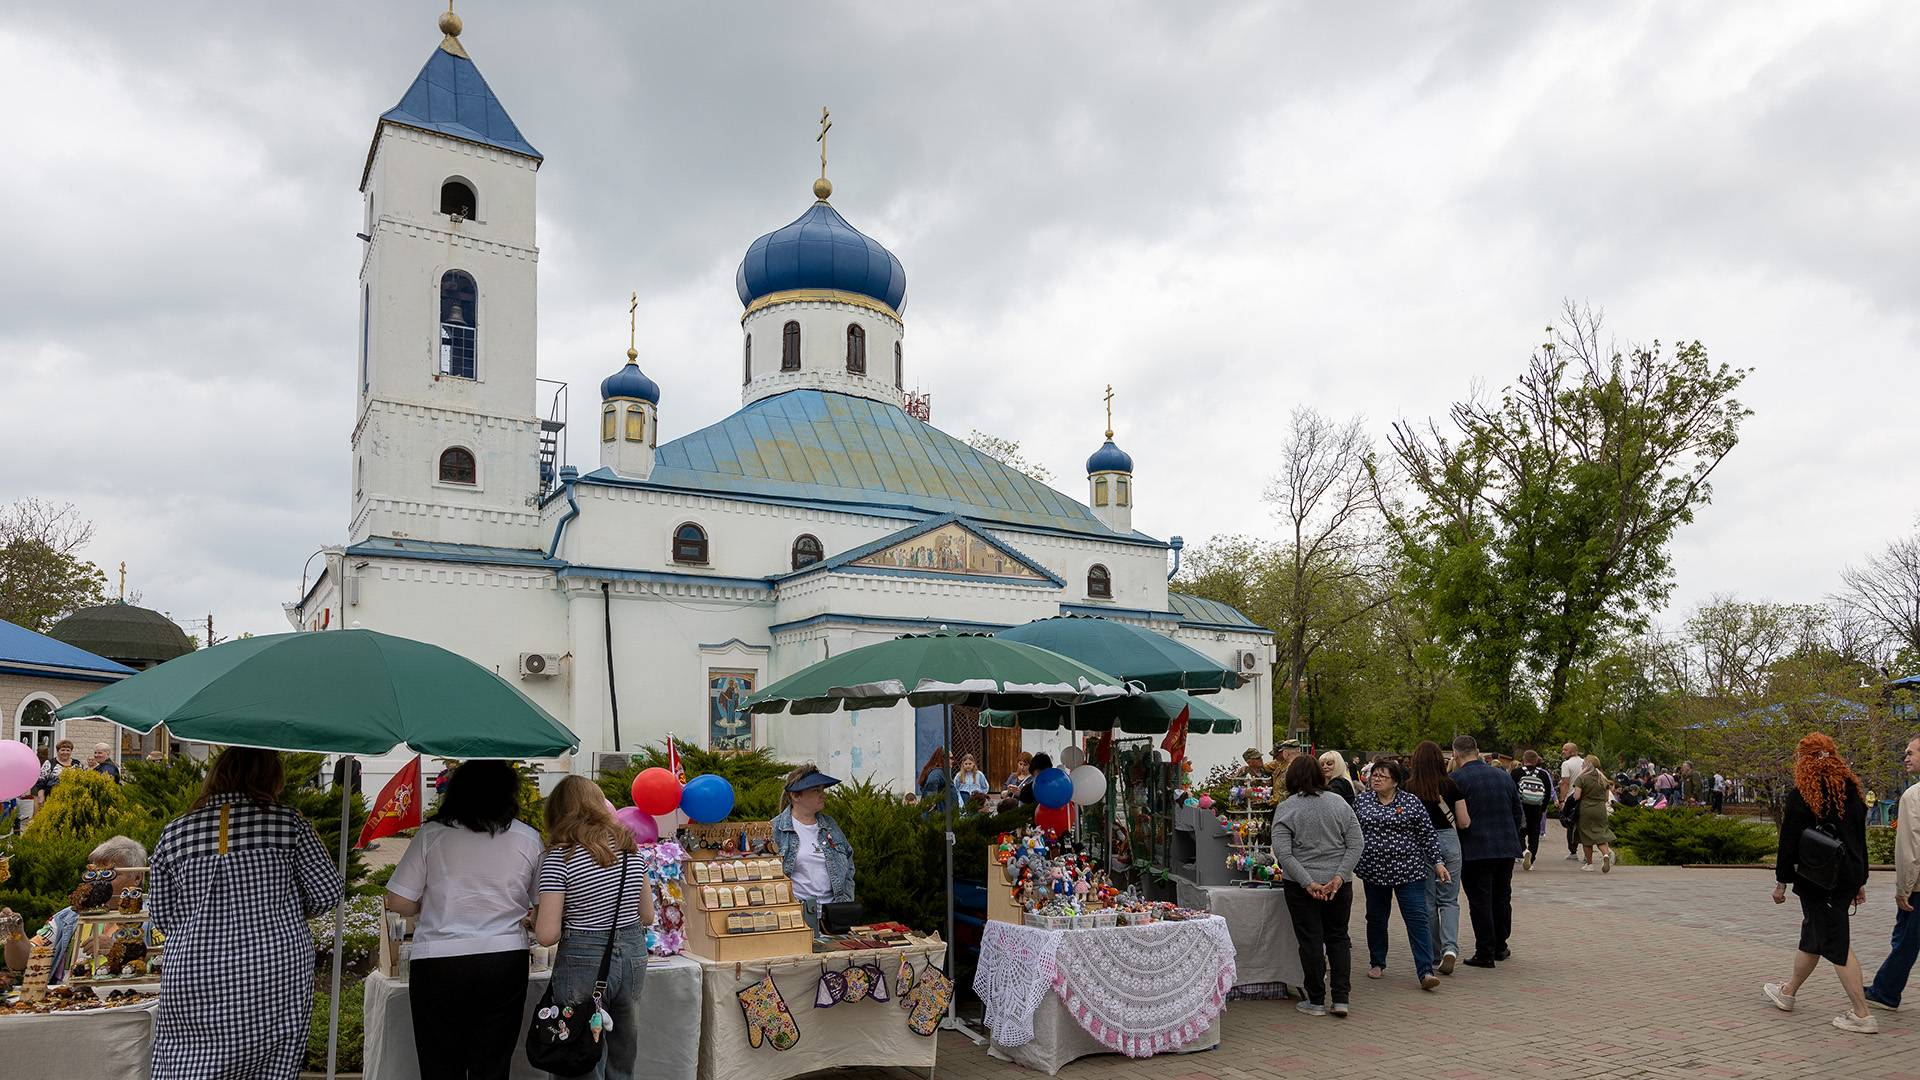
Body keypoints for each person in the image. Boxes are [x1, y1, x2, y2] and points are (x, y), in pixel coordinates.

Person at [148, 748, 345, 1079]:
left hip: (194, 970)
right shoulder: (289, 825)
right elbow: (327, 893)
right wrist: (288, 907)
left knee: (190, 1061)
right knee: (272, 1063)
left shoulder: (176, 832)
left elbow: (163, 916)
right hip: (274, 968)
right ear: (270, 776)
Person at [385, 760, 543, 1080]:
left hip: (438, 961)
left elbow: (399, 901)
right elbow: (541, 903)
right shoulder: (528, 838)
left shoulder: (432, 835)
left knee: (440, 1063)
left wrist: (428, 905)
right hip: (504, 958)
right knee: (493, 1062)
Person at [535, 776, 656, 1080]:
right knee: (622, 1052)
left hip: (582, 959)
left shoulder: (560, 857)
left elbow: (546, 935)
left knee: (578, 1053)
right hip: (631, 953)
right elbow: (646, 915)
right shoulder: (630, 851)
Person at [1765, 733, 1874, 1034]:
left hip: (1818, 879)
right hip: (1846, 875)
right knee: (1814, 935)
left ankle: (1862, 1014)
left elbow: (1788, 842)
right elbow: (1858, 841)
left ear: (1804, 759)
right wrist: (1860, 880)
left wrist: (1781, 882)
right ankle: (1788, 992)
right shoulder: (1851, 789)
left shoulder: (1801, 793)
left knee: (1837, 944)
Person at [1270, 754, 1364, 1018]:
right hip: (1339, 884)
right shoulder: (1340, 804)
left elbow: (1283, 854)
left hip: (1301, 886)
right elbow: (1356, 843)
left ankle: (1316, 1000)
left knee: (1310, 941)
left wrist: (1307, 882)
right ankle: (1342, 998)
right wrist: (1338, 876)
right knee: (1338, 938)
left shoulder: (1287, 808)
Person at [1353, 757, 1445, 990]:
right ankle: (1377, 961)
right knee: (1375, 918)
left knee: (1417, 919)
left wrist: (1437, 862)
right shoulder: (1362, 801)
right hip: (1373, 871)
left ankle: (1425, 971)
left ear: (1395, 781)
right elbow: (1351, 832)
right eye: (1374, 775)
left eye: (1382, 776)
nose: (1376, 779)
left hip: (1409, 872)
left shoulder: (1411, 802)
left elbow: (1427, 834)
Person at [2, 835, 147, 981]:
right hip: (69, 999)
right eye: (94, 874)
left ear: (137, 877)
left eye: (110, 874)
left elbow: (164, 963)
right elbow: (24, 963)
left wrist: (117, 950)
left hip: (128, 998)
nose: (100, 881)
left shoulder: (153, 916)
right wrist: (16, 933)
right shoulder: (68, 917)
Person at [1449, 735, 1523, 968]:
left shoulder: (1456, 779)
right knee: (1502, 896)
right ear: (1478, 751)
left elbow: (1454, 817)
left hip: (1474, 847)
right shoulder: (1503, 776)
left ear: (1456, 754)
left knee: (1480, 900)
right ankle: (1501, 945)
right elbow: (1517, 811)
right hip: (1505, 846)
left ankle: (1485, 951)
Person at [1866, 734, 1920, 1012]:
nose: (1906, 758)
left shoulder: (1913, 796)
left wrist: (1903, 888)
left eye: (1911, 753)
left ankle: (1885, 992)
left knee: (1906, 940)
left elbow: (1909, 848)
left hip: (1918, 887)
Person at [1406, 740, 1470, 975]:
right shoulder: (1451, 786)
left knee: (1427, 901)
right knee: (1449, 900)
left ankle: (1433, 952)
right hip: (1450, 842)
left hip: (1421, 844)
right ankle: (1450, 948)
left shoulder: (1409, 788)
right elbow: (1463, 822)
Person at [772, 764, 855, 928]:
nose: (823, 795)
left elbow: (848, 865)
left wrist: (845, 905)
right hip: (796, 918)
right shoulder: (776, 829)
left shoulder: (830, 825)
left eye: (823, 790)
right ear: (796, 796)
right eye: (816, 790)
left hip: (833, 918)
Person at [1569, 755, 1617, 872]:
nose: (1582, 765)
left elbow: (1577, 796)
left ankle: (1589, 864)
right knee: (1601, 834)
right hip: (1600, 809)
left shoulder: (1582, 778)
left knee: (1586, 836)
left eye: (1584, 763)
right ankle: (1605, 855)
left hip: (1586, 809)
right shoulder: (1603, 779)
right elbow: (1606, 798)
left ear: (1587, 764)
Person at [1512, 750, 1555, 871]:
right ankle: (1531, 859)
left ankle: (1524, 850)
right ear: (1536, 760)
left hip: (1521, 808)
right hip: (1536, 807)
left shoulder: (1516, 772)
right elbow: (1547, 794)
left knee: (1519, 832)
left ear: (1523, 759)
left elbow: (1511, 791)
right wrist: (1543, 808)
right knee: (1534, 834)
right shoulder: (1543, 774)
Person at [1558, 743, 1585, 860]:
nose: (1563, 751)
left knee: (1570, 824)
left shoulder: (1566, 764)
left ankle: (1573, 851)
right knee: (1584, 825)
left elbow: (1565, 782)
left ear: (1573, 752)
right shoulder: (1585, 762)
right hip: (1584, 797)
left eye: (1566, 750)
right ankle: (1587, 852)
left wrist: (1562, 800)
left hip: (1571, 797)